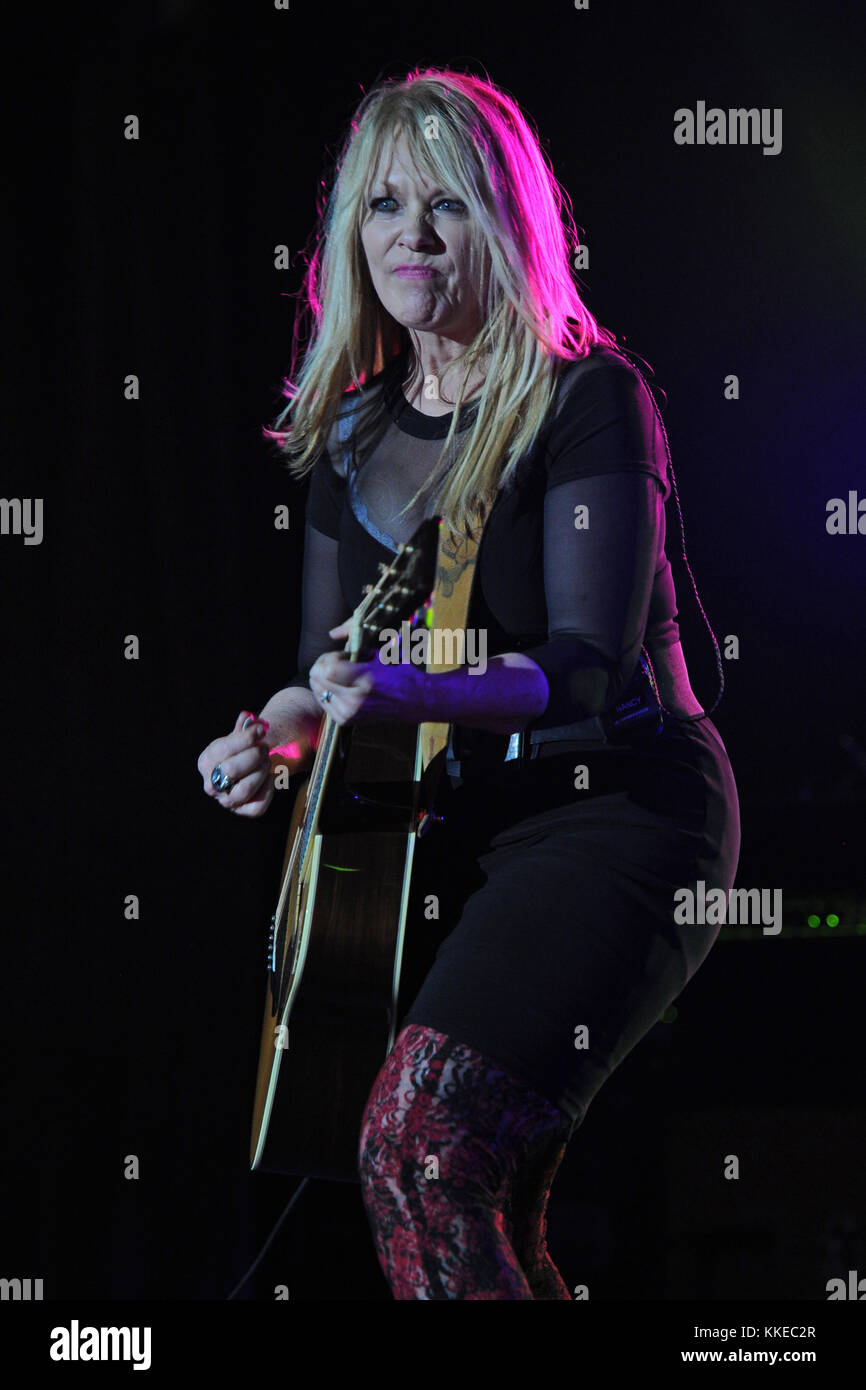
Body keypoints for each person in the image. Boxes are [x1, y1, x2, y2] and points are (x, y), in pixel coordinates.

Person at [197, 66, 740, 1300]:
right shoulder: (350, 433)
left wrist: (398, 683)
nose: (411, 236)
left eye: (445, 205)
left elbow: (578, 669)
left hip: (623, 814)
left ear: (504, 223)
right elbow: (319, 678)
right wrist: (265, 745)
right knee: (474, 1195)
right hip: (471, 835)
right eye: (383, 205)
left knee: (420, 1150)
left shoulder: (585, 396)